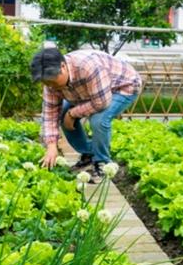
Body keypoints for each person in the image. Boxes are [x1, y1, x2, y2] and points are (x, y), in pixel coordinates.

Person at [30, 48, 142, 183]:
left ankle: (102, 163)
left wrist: (72, 114)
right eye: (46, 83)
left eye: (53, 81)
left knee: (98, 120)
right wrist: (51, 146)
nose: (51, 86)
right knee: (62, 115)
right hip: (88, 92)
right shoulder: (50, 84)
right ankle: (89, 155)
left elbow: (101, 102)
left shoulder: (87, 67)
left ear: (63, 66)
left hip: (122, 87)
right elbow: (50, 114)